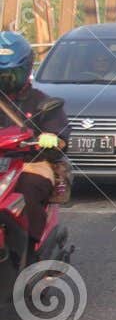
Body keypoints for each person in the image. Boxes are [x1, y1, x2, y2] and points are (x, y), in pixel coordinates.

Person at [0, 32, 69, 243]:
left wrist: (51, 137)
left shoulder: (42, 102)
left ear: (26, 69)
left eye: (11, 75)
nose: (5, 81)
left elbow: (61, 137)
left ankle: (31, 249)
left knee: (28, 192)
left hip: (30, 163)